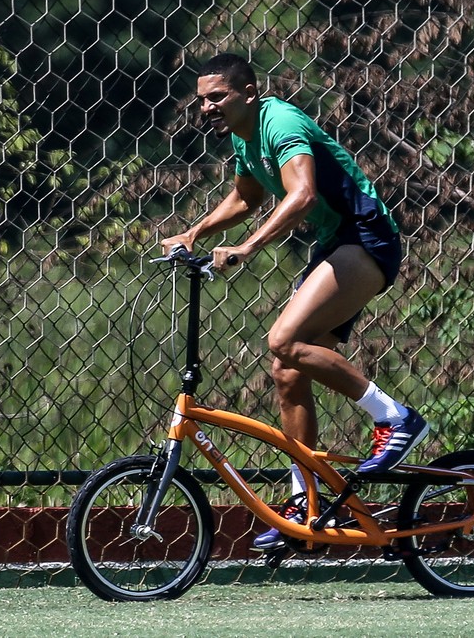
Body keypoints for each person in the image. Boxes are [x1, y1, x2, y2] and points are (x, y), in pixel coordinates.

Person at [160, 53, 428, 550]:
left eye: (217, 97)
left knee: (282, 339)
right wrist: (195, 231)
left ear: (249, 92)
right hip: (335, 243)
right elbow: (245, 198)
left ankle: (395, 417)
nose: (206, 108)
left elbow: (302, 194)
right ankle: (306, 505)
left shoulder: (278, 121)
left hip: (365, 237)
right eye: (201, 101)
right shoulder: (246, 138)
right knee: (287, 370)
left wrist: (248, 246)